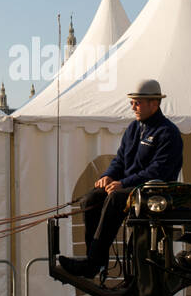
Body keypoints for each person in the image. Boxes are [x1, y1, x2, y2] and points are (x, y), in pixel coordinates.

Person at [58, 80, 183, 278]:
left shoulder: (168, 132)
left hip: (153, 193)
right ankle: (97, 262)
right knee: (91, 199)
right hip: (130, 187)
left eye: (138, 103)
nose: (133, 107)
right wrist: (108, 176)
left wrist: (124, 183)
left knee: (116, 198)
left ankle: (93, 262)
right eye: (132, 102)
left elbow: (158, 171)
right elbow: (121, 160)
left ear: (154, 103)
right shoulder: (133, 128)